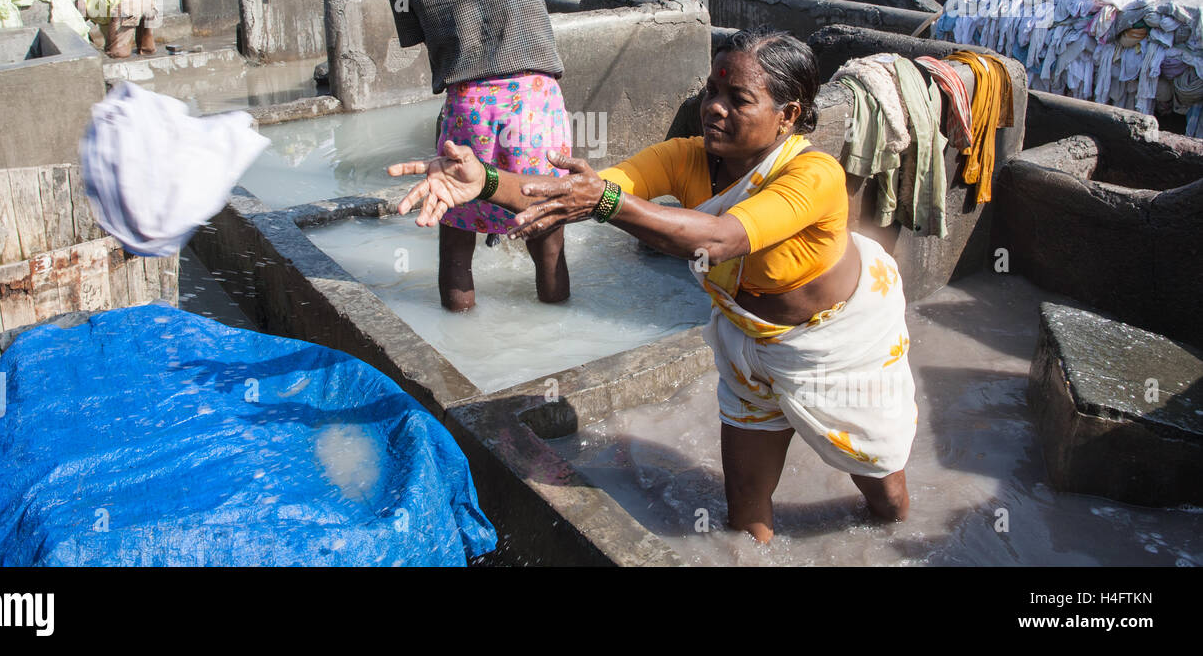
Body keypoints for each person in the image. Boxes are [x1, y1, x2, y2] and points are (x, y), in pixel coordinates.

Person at [387, 30, 917, 542]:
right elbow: (578, 192)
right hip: (748, 339)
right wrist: (488, 181)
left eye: (739, 99)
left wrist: (605, 203)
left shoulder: (814, 174)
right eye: (712, 91)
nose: (715, 107)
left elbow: (721, 238)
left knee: (883, 493)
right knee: (744, 511)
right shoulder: (686, 157)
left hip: (836, 343)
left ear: (789, 116)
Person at [379, 0, 613, 312]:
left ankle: (460, 346)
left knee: (456, 235)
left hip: (467, 105)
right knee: (546, 230)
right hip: (534, 100)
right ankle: (557, 328)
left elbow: (419, 35)